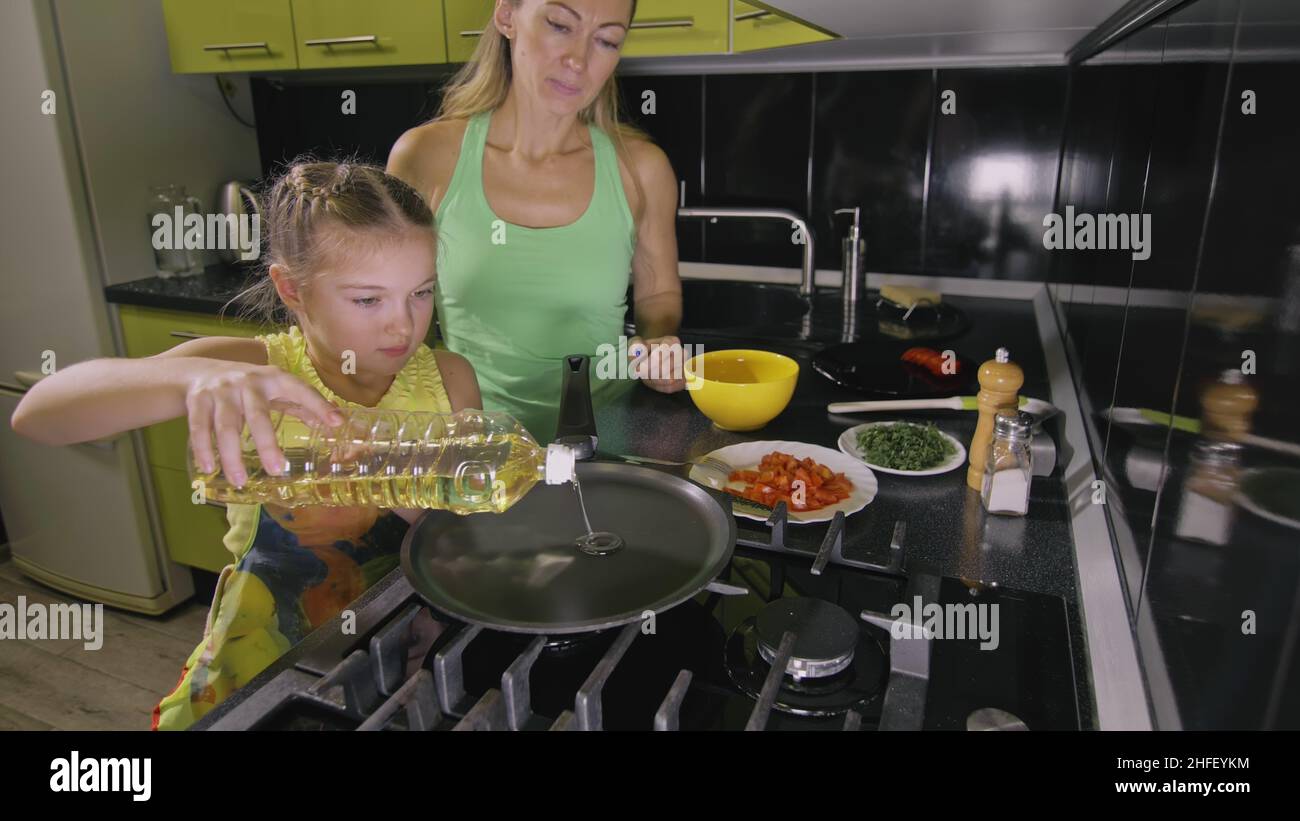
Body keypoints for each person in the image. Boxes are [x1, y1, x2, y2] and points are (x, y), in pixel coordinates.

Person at [10, 160, 480, 729]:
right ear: (292, 289)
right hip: (262, 652)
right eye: (367, 300)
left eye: (421, 293)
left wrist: (430, 536)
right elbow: (39, 414)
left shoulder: (449, 376)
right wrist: (189, 378)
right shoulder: (248, 372)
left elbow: (461, 530)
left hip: (399, 652)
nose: (403, 327)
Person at [387, 0, 686, 442]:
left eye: (606, 40)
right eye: (560, 25)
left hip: (605, 445)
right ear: (507, 16)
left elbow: (658, 291)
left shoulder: (641, 169)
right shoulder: (425, 157)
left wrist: (659, 341)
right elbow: (390, 304)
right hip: (471, 447)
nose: (578, 61)